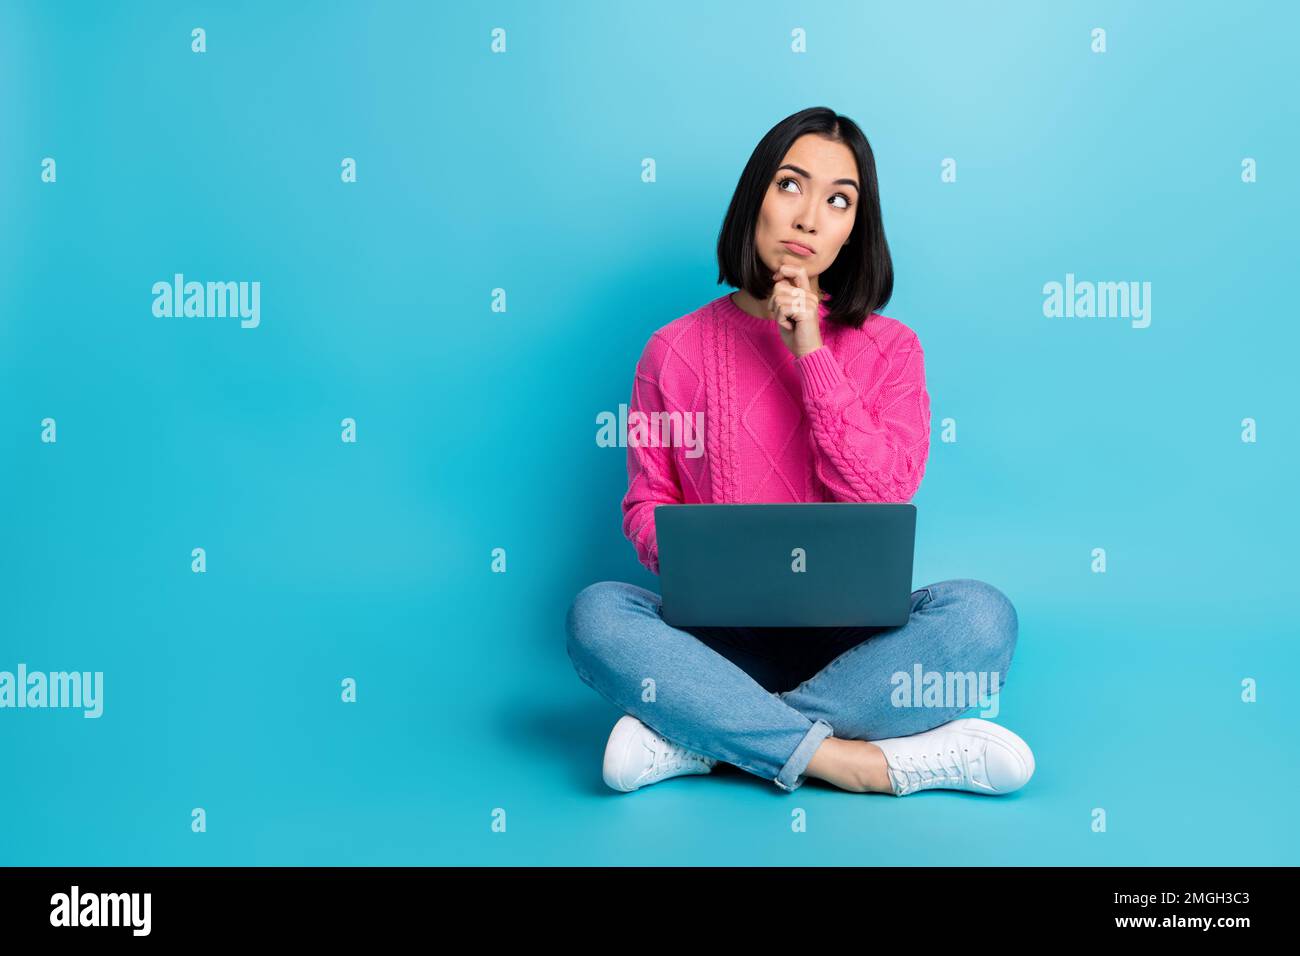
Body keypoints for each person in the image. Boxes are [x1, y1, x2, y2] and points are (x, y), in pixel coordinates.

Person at [566, 106, 1035, 797]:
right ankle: (861, 762)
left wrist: (811, 352)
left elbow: (882, 496)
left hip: (857, 648)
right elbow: (645, 507)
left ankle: (702, 739)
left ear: (853, 230)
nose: (809, 217)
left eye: (838, 200)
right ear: (755, 196)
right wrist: (706, 559)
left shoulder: (892, 349)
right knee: (596, 614)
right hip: (717, 646)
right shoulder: (670, 351)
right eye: (790, 185)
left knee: (984, 618)